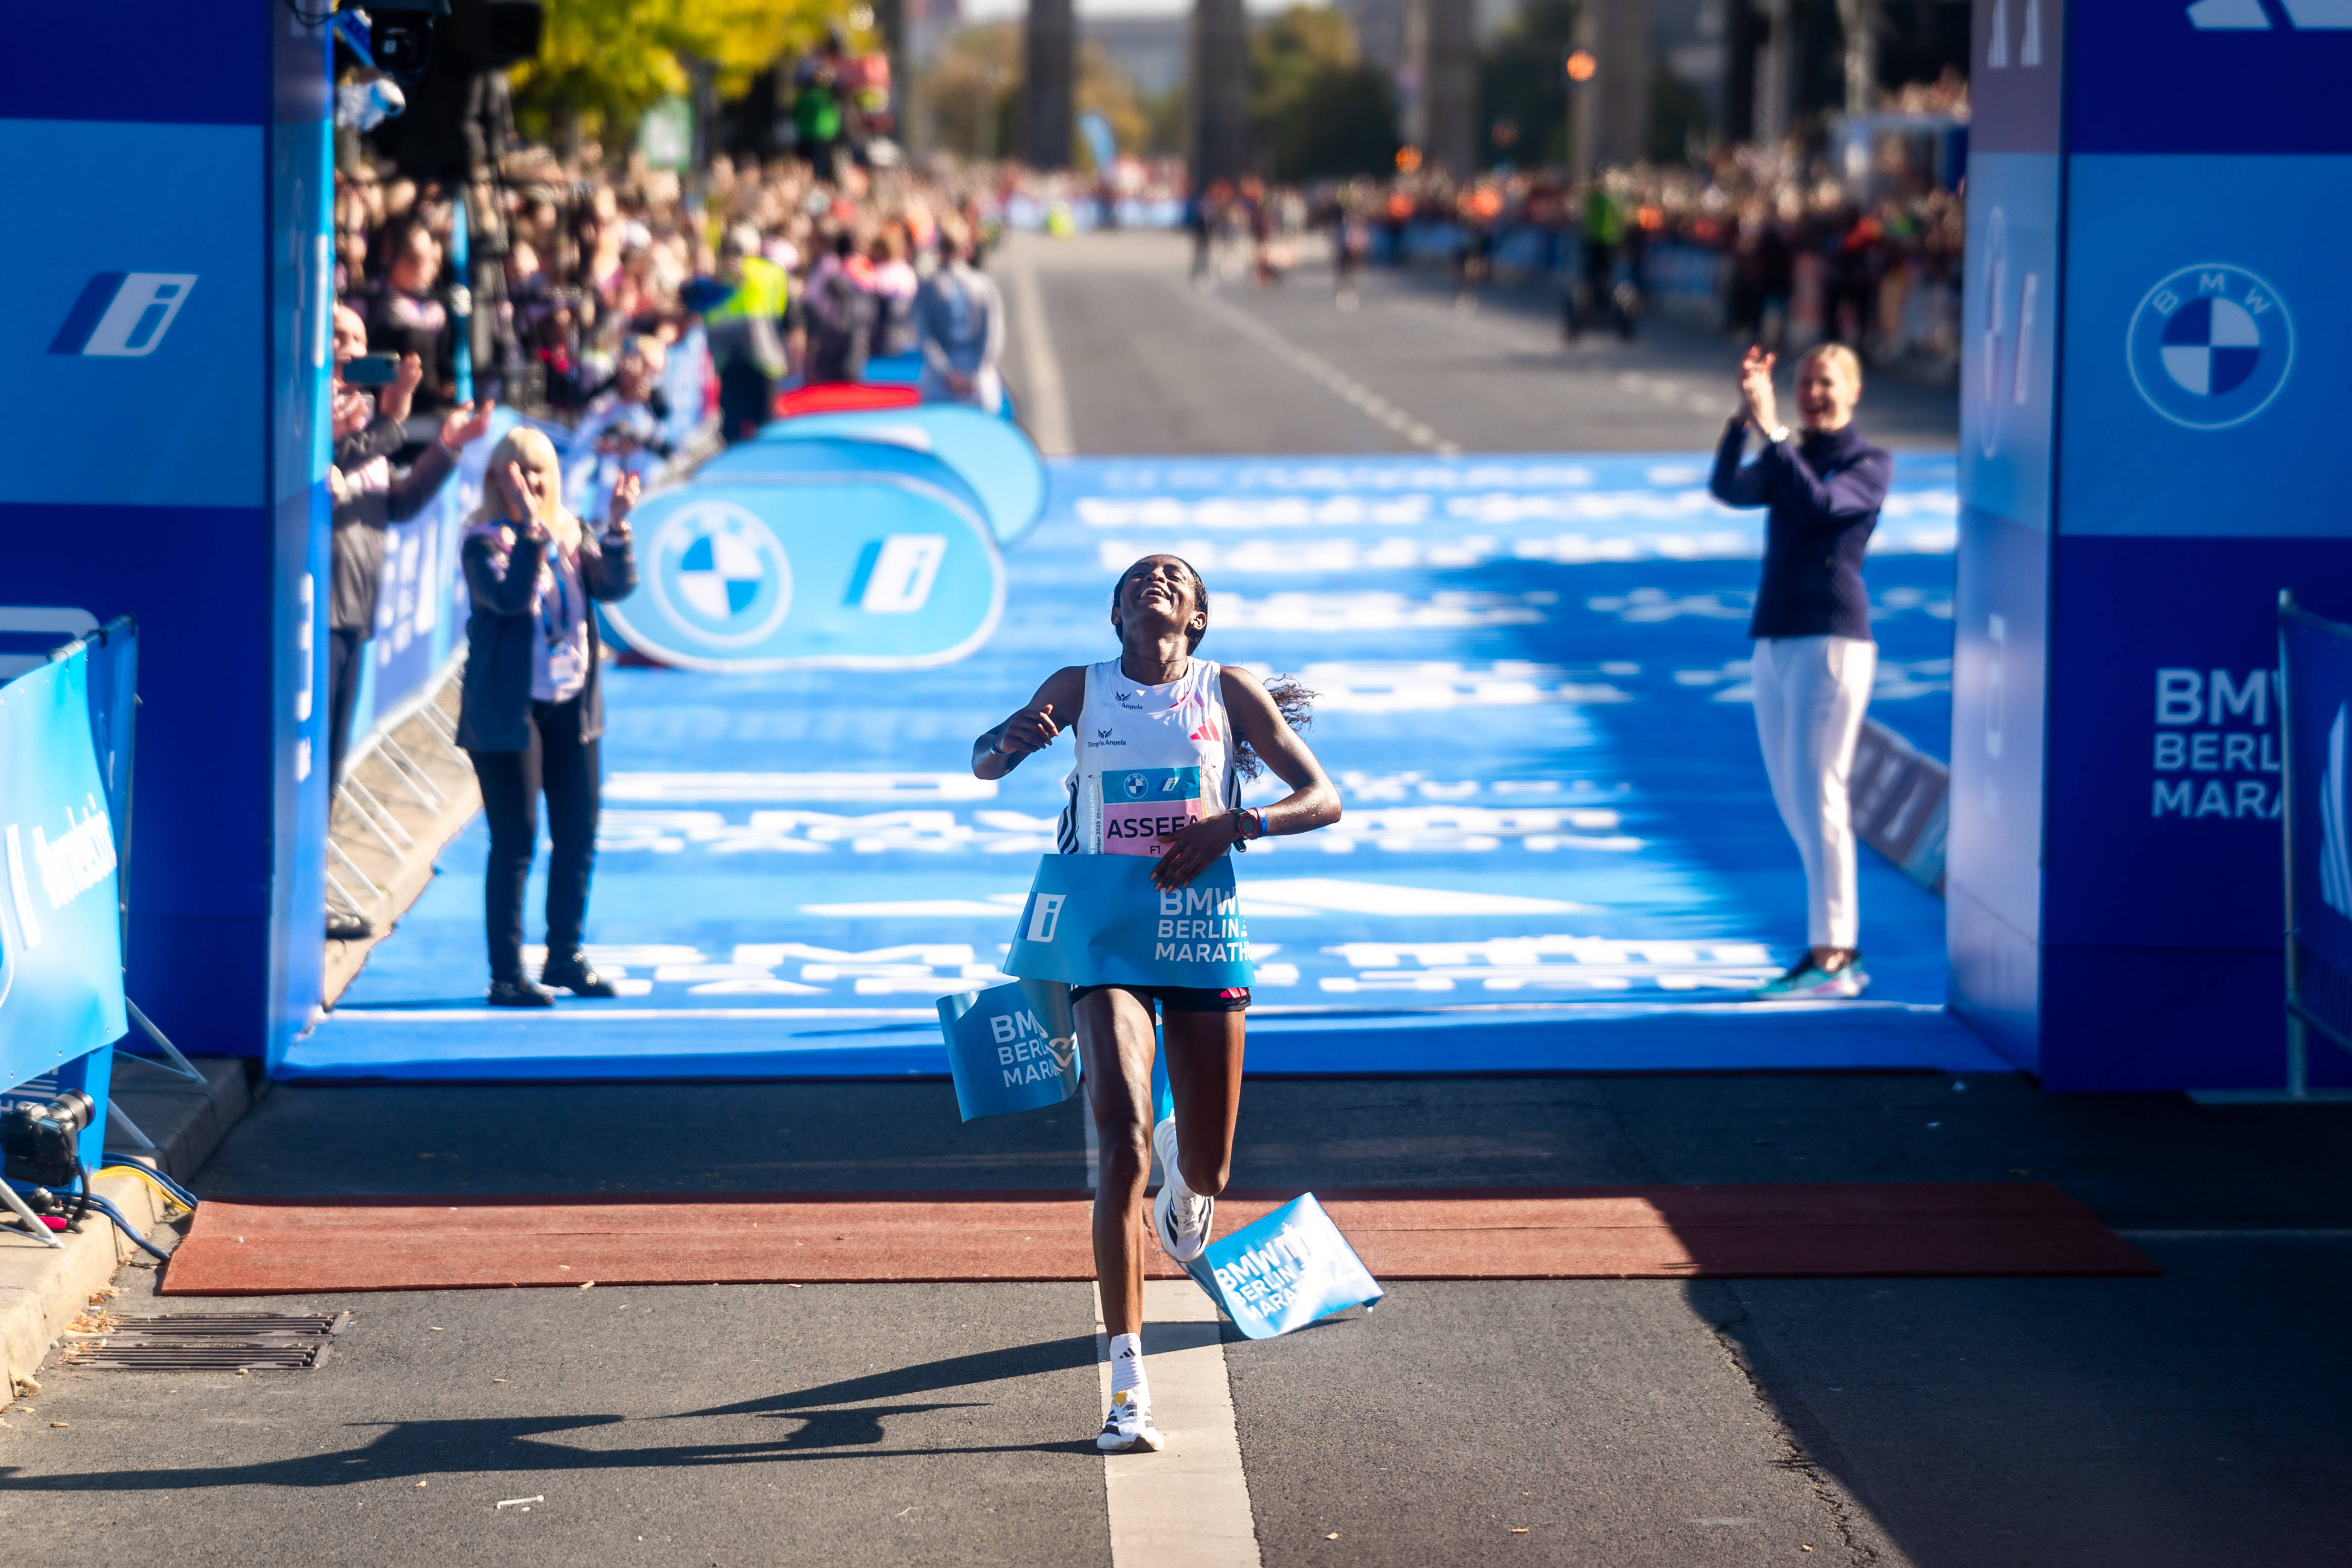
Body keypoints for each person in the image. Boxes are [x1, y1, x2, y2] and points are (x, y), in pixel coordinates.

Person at [970, 555, 1341, 1453]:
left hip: (1198, 927)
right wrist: (1010, 740)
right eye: (1139, 576)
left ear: (1197, 617)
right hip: (1101, 931)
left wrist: (1236, 824)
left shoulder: (1227, 689)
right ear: (1115, 613)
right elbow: (984, 764)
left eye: (1175, 576)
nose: (1156, 580)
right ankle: (1126, 1385)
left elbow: (1322, 798)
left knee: (1206, 1167)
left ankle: (1189, 1183)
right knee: (1122, 1138)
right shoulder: (1079, 686)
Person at [1707, 343, 1892, 1000]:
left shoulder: (1867, 463)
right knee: (1794, 800)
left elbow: (1819, 506)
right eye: (1804, 382)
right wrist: (1741, 421)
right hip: (1774, 636)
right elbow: (1729, 488)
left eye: (1826, 382)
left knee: (1820, 795)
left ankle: (1833, 953)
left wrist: (1774, 432)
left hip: (1830, 641)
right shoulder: (1791, 452)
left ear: (1853, 390)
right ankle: (1828, 948)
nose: (1813, 393)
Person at [456, 427, 641, 1007]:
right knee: (516, 841)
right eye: (519, 472)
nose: (532, 483)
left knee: (578, 834)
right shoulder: (483, 542)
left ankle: (565, 954)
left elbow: (614, 586)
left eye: (540, 471)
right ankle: (506, 973)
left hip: (573, 705)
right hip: (509, 712)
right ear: (497, 480)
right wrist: (532, 531)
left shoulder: (572, 532)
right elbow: (509, 599)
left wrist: (618, 528)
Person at [325, 303, 492, 827]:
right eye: (337, 336)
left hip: (356, 613)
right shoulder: (305, 414)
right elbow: (324, 468)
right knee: (305, 761)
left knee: (330, 764)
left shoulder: (362, 422)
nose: (351, 348)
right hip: (316, 613)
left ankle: (313, 866)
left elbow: (394, 505)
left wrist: (446, 446)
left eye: (359, 338)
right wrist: (391, 422)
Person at [565, 333, 673, 524]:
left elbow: (656, 465)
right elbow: (578, 458)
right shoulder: (604, 398)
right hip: (585, 507)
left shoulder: (653, 414)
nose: (648, 379)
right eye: (646, 369)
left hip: (631, 513)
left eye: (656, 375)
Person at [913, 218, 1004, 414]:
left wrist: (948, 373)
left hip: (941, 379)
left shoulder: (928, 286)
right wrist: (976, 371)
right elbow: (992, 335)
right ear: (966, 249)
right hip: (977, 378)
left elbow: (924, 336)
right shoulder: (983, 285)